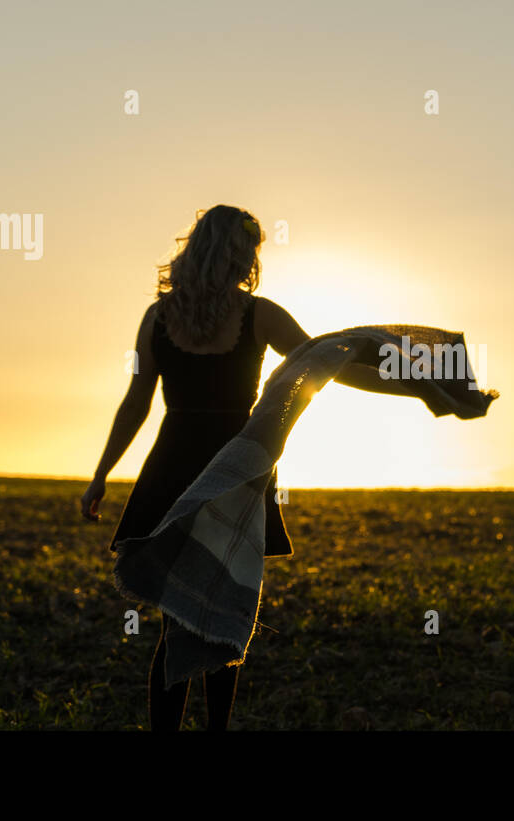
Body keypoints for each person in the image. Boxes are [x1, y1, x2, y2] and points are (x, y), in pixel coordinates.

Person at [79, 204, 410, 730]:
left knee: (183, 623)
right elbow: (330, 365)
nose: (254, 259)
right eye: (250, 248)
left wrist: (102, 475)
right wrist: (418, 379)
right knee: (222, 617)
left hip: (179, 465)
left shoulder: (163, 317)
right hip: (236, 466)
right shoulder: (256, 314)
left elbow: (138, 401)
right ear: (236, 253)